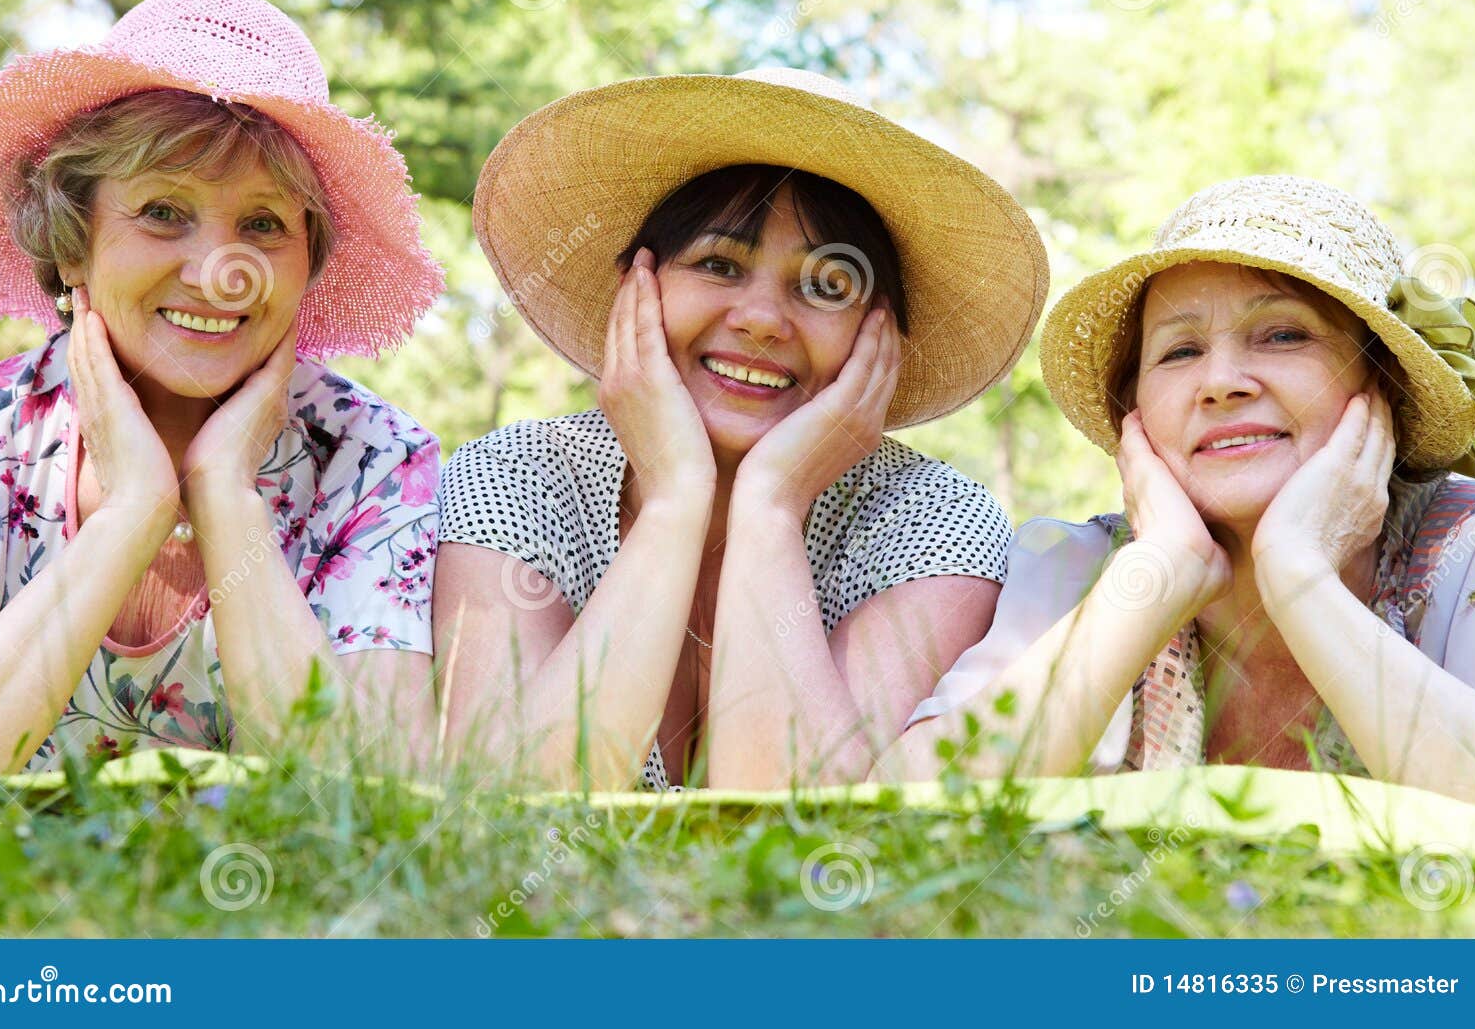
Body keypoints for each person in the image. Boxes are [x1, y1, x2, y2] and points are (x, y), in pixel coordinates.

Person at [436, 68, 1049, 790]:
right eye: (719, 264)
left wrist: (771, 505)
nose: (762, 318)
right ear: (639, 289)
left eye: (826, 285)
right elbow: (502, 806)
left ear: (875, 331)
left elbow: (800, 824)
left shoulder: (934, 519)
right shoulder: (515, 475)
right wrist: (673, 499)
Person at [0, 0, 446, 774]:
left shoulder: (376, 461)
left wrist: (225, 491)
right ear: (73, 241)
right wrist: (133, 512)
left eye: (262, 224)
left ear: (308, 263)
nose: (220, 274)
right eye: (162, 211)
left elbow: (383, 793)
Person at [881, 175, 1475, 805]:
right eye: (1179, 351)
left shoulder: (1469, 553)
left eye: (1283, 335)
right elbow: (899, 810)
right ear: (1135, 414)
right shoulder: (1077, 568)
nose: (1221, 382)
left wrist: (1297, 576)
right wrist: (1161, 574)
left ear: (1381, 389)